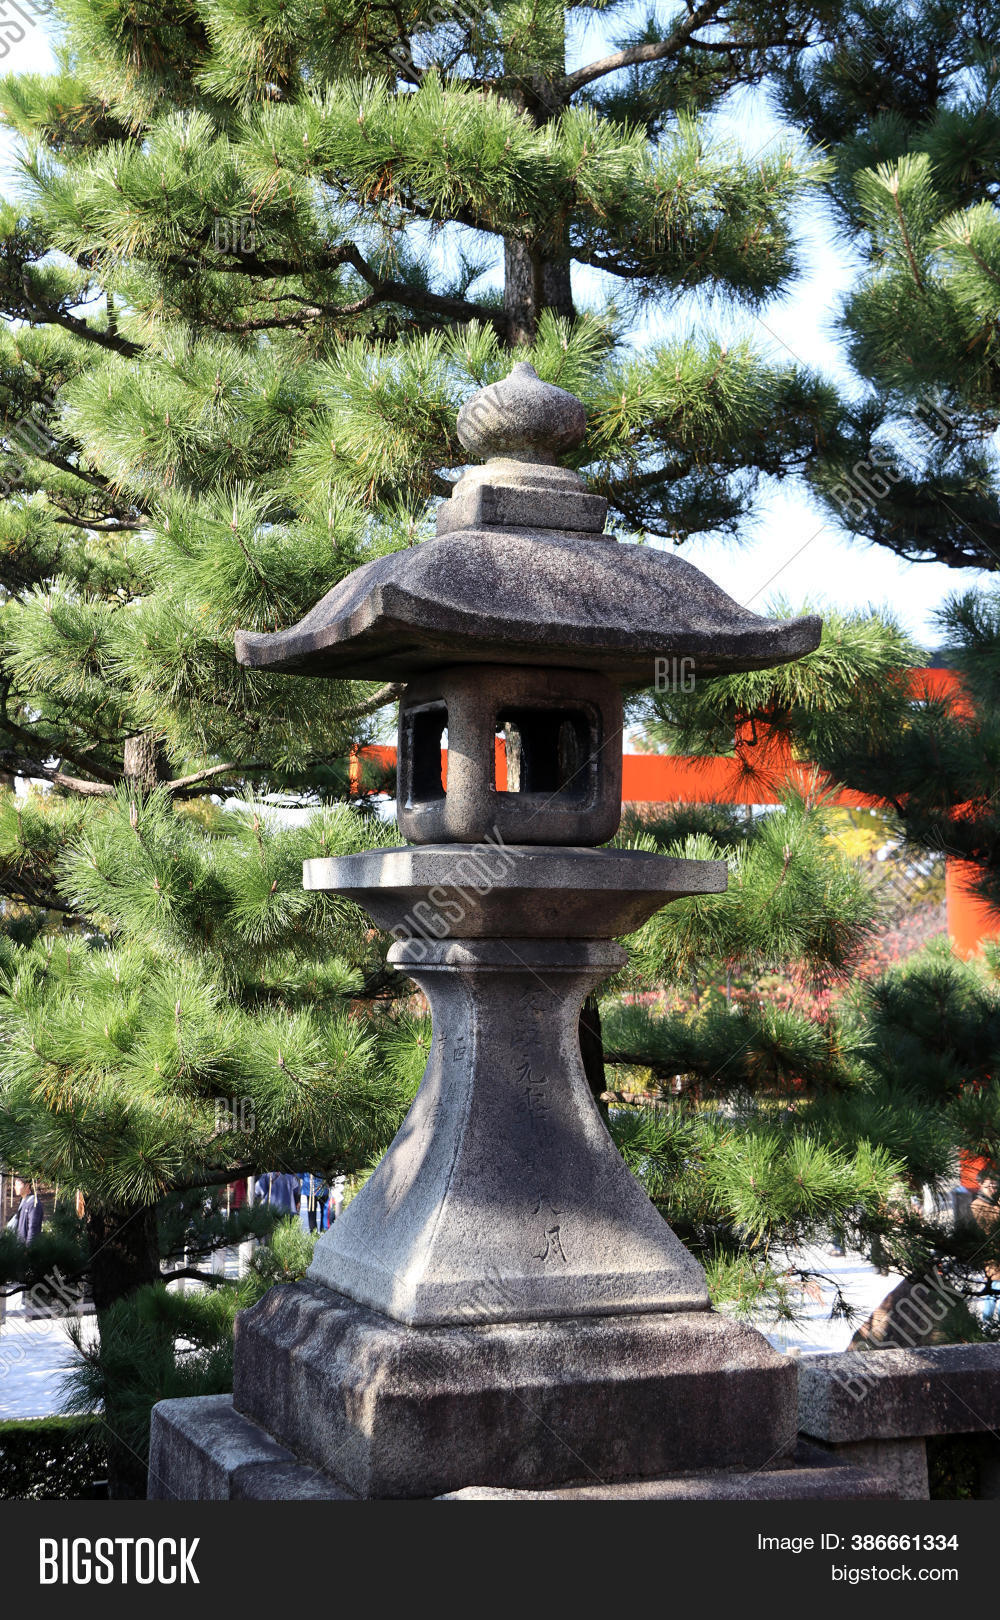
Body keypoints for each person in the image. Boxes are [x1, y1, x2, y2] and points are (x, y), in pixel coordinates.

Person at [971, 1169, 1000, 1321]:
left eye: (995, 1186)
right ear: (981, 1184)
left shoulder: (995, 1203)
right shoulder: (977, 1205)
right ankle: (987, 1325)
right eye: (989, 1186)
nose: (993, 1189)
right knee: (994, 1290)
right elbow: (989, 1228)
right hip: (992, 1257)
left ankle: (987, 1325)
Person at [9, 1176, 43, 1246]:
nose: (15, 1187)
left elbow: (33, 1227)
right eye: (15, 1185)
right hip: (20, 1245)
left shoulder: (33, 1203)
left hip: (27, 1248)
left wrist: (29, 1248)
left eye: (18, 1185)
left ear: (27, 1186)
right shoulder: (23, 1201)